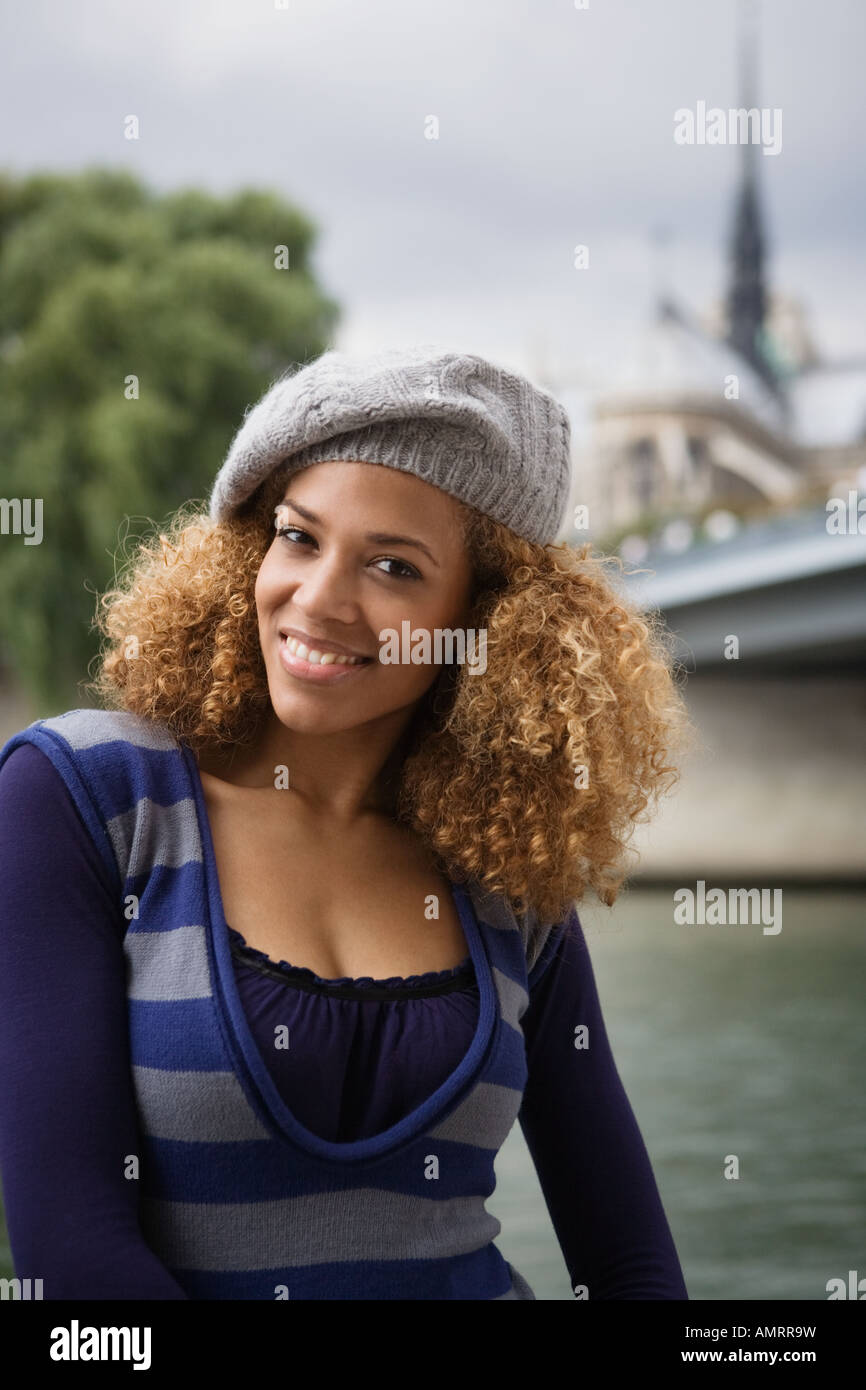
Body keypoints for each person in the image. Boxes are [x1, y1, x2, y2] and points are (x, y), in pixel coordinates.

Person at [0, 344, 692, 1300]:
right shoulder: (86, 802)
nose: (318, 600)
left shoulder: (505, 867)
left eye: (394, 567)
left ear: (487, 619)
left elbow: (631, 1266)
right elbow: (72, 1265)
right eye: (298, 536)